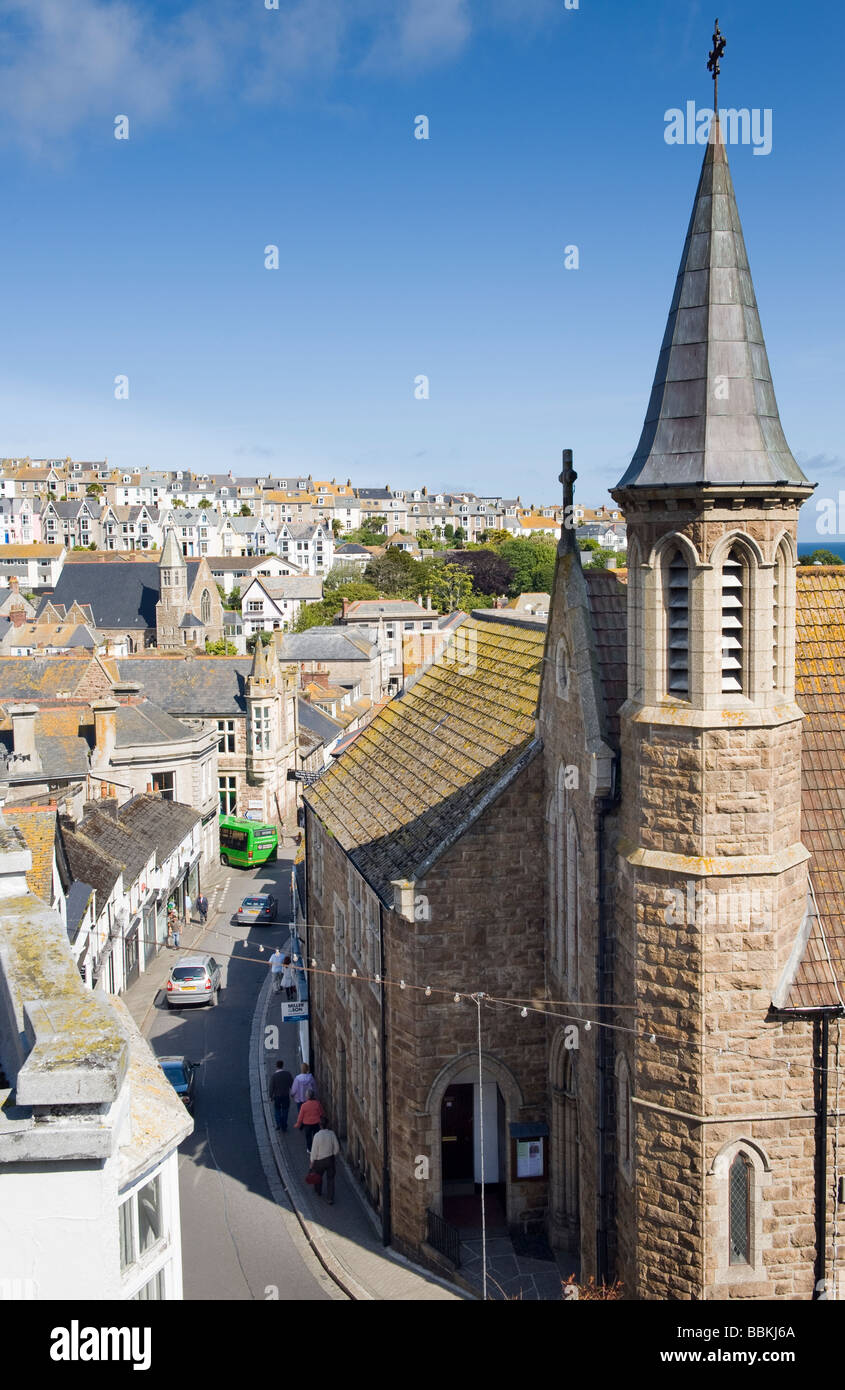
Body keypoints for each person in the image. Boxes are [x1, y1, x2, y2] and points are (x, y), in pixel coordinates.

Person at [309, 1117, 340, 1203]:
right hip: (330, 1159)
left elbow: (314, 1151)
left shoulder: (317, 1136)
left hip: (319, 1161)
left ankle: (318, 1191)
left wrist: (312, 1161)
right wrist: (333, 1154)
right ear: (328, 1124)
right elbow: (337, 1148)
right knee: (330, 1179)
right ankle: (330, 1198)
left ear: (320, 1125)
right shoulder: (331, 1134)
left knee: (318, 1176)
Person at [294, 1089, 325, 1157]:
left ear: (307, 1097)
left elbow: (300, 1116)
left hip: (307, 1124)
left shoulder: (304, 1105)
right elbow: (321, 1113)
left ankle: (309, 1149)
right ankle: (316, 1148)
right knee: (316, 1136)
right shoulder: (317, 1103)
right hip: (316, 1123)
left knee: (308, 1137)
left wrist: (298, 1124)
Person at [268, 1060, 294, 1132]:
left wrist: (270, 1096)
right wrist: (293, 1093)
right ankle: (284, 1124)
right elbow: (292, 1085)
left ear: (276, 1066)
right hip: (285, 1096)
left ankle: (279, 1124)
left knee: (277, 1111)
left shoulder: (274, 1076)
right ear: (283, 1065)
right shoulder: (287, 1074)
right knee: (285, 1111)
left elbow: (271, 1087)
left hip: (277, 1097)